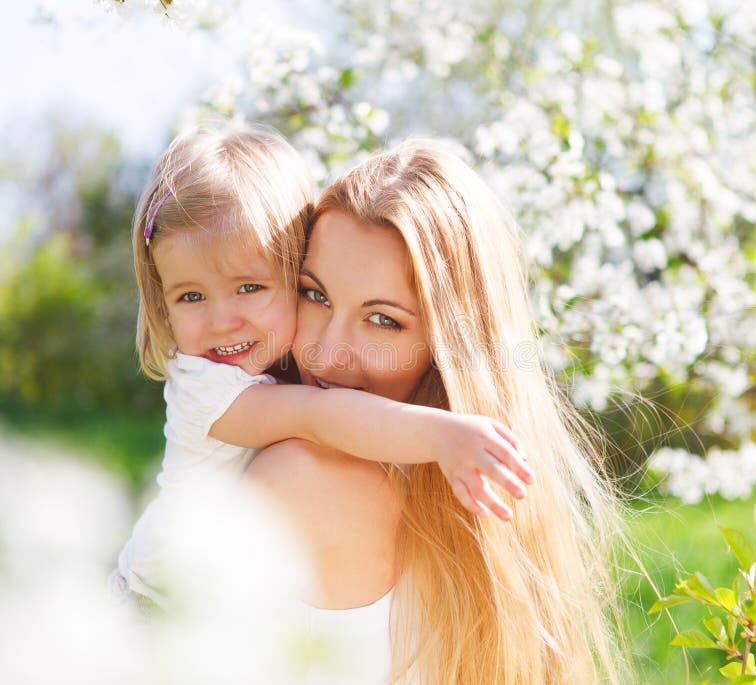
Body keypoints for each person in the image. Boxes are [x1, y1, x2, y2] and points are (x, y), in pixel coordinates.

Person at [247, 140, 625, 683]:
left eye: (383, 321)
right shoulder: (502, 539)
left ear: (452, 345)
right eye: (315, 295)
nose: (325, 353)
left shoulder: (302, 477)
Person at [114, 126, 532, 608]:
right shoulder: (206, 388)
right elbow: (321, 415)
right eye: (191, 296)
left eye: (250, 288)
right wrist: (444, 435)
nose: (223, 321)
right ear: (162, 304)